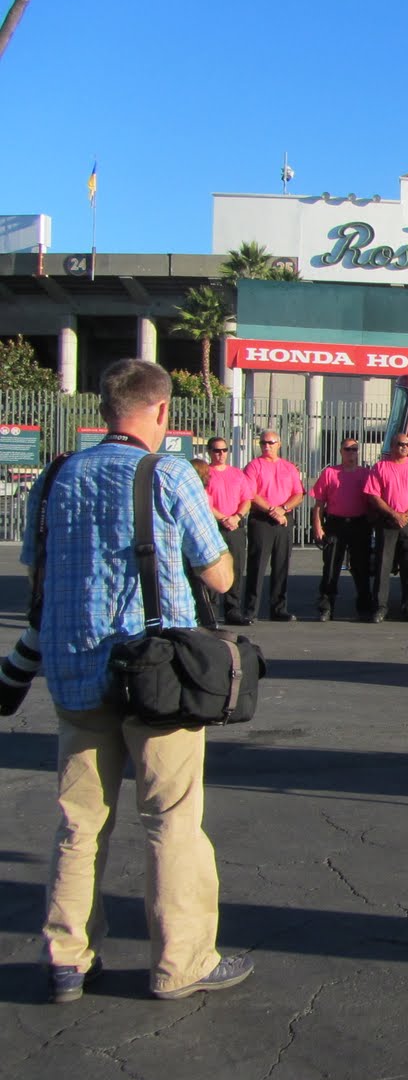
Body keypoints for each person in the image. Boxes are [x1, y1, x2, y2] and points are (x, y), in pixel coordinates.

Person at [22, 359, 254, 1003]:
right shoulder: (169, 474)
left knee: (79, 822)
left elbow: (38, 576)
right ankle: (181, 962)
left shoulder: (55, 476)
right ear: (160, 412)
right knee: (172, 820)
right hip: (156, 676)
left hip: (73, 669)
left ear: (103, 408)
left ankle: (67, 956)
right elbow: (219, 575)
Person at [364, 434, 408, 622]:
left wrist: (407, 515)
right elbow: (374, 496)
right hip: (387, 522)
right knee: (383, 566)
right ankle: (380, 608)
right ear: (392, 446)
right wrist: (394, 514)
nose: (404, 447)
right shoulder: (380, 467)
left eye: (407, 445)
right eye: (400, 444)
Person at [241, 428, 305, 622]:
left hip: (283, 518)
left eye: (270, 443)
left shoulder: (288, 467)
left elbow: (298, 494)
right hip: (261, 519)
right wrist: (272, 510)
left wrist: (283, 509)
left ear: (279, 444)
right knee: (257, 565)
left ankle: (279, 608)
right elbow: (251, 494)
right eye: (263, 443)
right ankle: (250, 610)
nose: (266, 446)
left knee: (281, 565)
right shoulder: (253, 466)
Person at [310, 438, 375, 621]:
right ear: (341, 451)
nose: (351, 453)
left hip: (359, 524)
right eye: (347, 449)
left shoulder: (366, 474)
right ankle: (326, 607)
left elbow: (372, 502)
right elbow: (319, 504)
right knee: (331, 567)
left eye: (354, 449)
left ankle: (364, 606)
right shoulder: (330, 473)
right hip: (335, 524)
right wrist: (318, 526)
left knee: (360, 567)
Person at [201, 435, 252, 624]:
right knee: (212, 566)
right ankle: (211, 610)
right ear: (209, 452)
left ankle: (233, 610)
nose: (220, 454)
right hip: (215, 526)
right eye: (216, 450)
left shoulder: (238, 474)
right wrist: (223, 518)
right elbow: (205, 501)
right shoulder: (205, 473)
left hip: (235, 526)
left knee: (236, 567)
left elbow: (247, 499)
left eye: (224, 450)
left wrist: (237, 517)